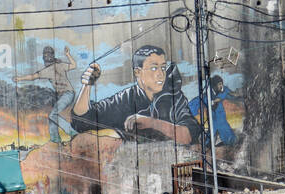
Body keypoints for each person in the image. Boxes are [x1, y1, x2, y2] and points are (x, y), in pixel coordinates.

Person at [70, 45, 202, 145]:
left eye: (163, 67)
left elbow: (190, 134)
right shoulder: (126, 99)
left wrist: (151, 123)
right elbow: (82, 121)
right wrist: (87, 85)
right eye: (154, 68)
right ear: (138, 72)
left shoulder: (174, 97)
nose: (161, 74)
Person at [15, 46, 78, 144]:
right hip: (65, 95)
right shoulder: (58, 65)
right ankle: (55, 140)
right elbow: (74, 65)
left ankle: (73, 133)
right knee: (52, 117)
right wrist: (68, 55)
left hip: (68, 94)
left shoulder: (53, 68)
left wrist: (19, 79)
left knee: (53, 114)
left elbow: (32, 77)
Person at [188, 74, 241, 147]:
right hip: (213, 117)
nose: (221, 86)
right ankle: (208, 145)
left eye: (221, 84)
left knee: (225, 131)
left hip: (220, 116)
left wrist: (237, 95)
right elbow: (201, 102)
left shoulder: (223, 90)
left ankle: (231, 142)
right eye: (219, 84)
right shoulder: (208, 94)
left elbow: (231, 95)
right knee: (213, 133)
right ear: (215, 85)